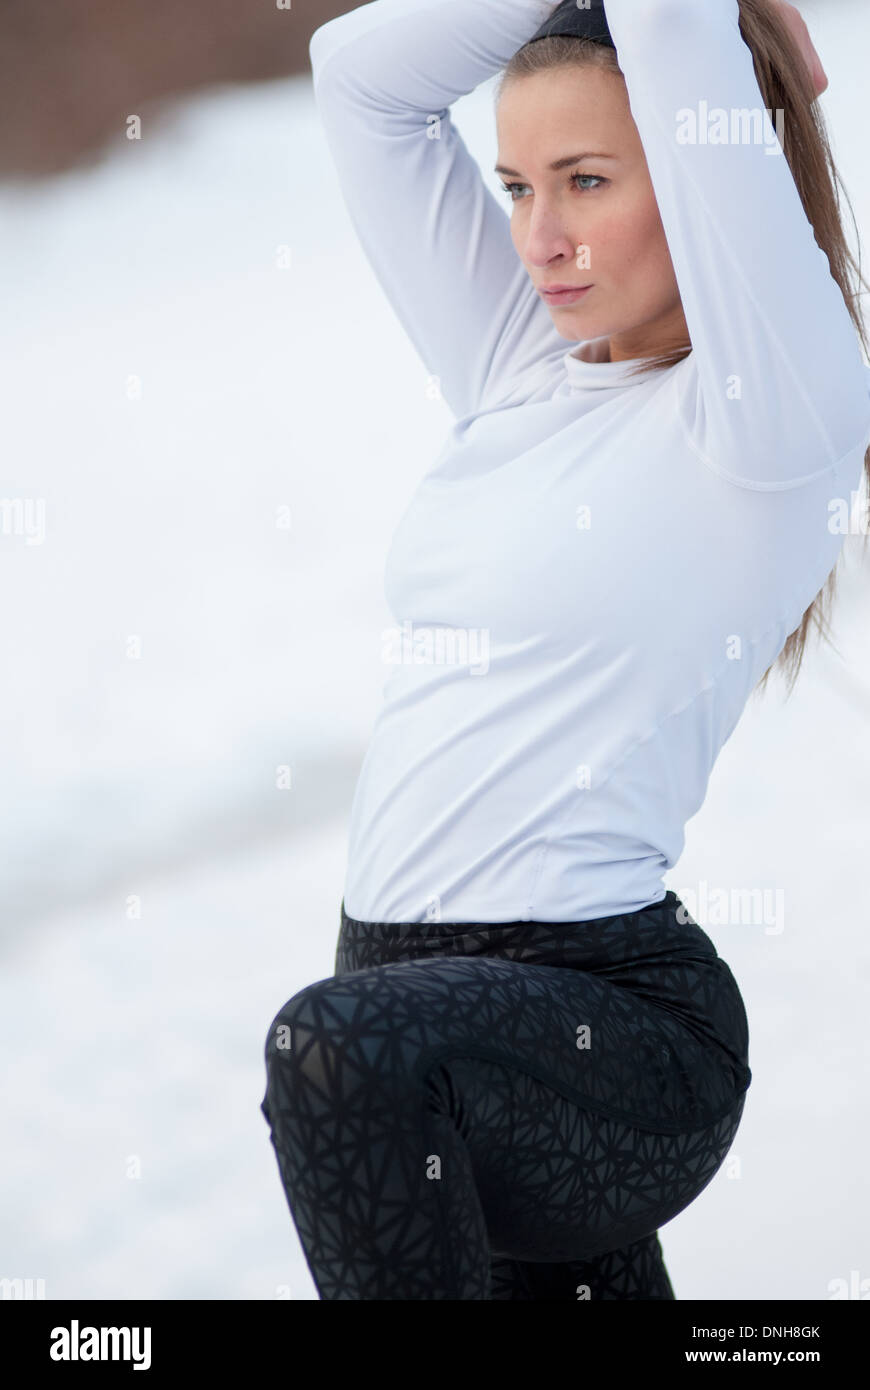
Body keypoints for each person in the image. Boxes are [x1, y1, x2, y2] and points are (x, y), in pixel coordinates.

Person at [260, 0, 870, 1299]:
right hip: (428, 1025)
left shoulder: (771, 417)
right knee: (359, 1047)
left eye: (587, 180)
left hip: (606, 1035)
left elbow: (666, 21)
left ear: (710, 164)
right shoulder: (522, 368)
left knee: (337, 1051)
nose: (539, 237)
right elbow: (354, 74)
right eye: (517, 185)